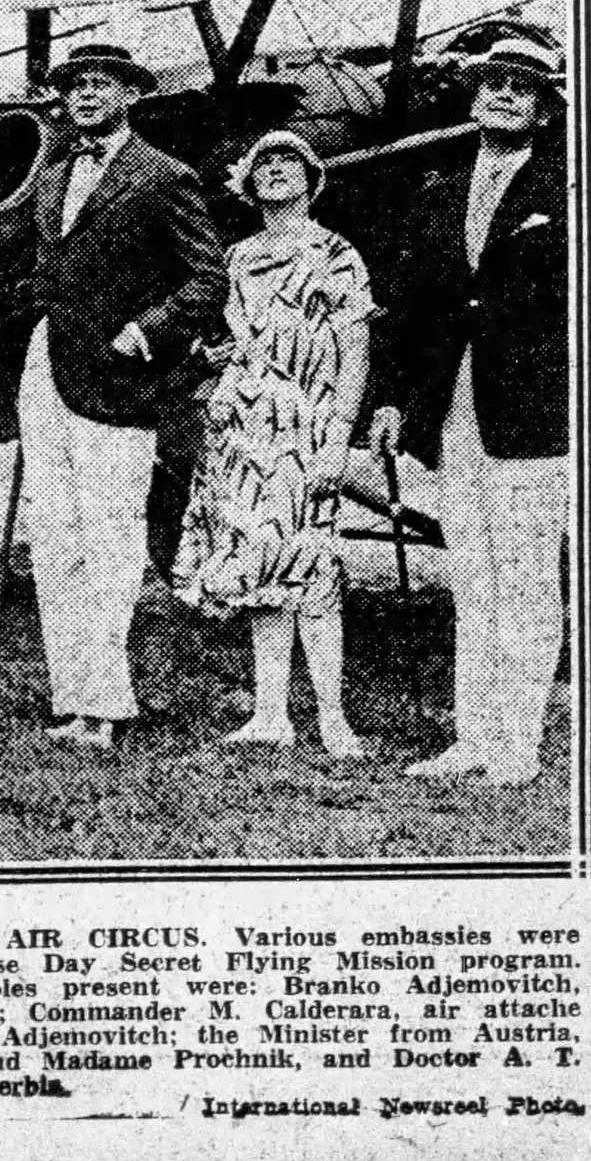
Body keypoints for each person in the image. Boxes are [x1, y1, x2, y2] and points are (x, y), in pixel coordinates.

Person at [9, 43, 227, 749]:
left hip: (119, 379)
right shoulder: (54, 177)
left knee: (110, 539)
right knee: (55, 539)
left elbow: (206, 280)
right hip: (47, 369)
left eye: (102, 84)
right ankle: (70, 699)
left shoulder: (164, 176)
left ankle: (105, 704)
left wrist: (145, 333)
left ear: (131, 94)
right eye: (75, 86)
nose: (86, 96)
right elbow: (51, 267)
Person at [371, 36, 568, 786]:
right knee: (473, 579)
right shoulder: (437, 193)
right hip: (453, 412)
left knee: (524, 578)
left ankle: (516, 746)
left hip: (534, 414)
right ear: (473, 97)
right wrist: (391, 398)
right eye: (493, 82)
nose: (504, 95)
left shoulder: (570, 188)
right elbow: (411, 310)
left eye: (522, 87)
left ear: (545, 110)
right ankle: (472, 740)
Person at [172, 131, 372, 756]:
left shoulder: (337, 253)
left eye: (289, 163)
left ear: (312, 180)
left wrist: (339, 435)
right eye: (265, 165)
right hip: (242, 426)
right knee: (261, 566)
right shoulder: (237, 256)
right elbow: (231, 335)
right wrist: (215, 357)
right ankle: (269, 713)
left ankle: (334, 719)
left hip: (307, 423)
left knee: (311, 568)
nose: (276, 172)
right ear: (249, 184)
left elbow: (354, 350)